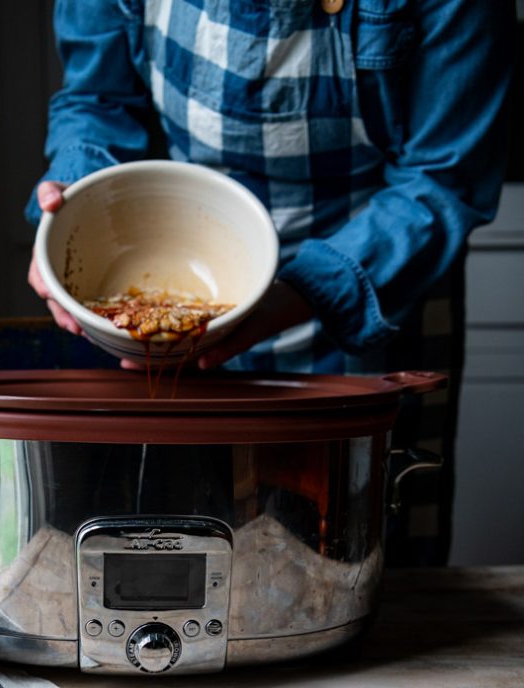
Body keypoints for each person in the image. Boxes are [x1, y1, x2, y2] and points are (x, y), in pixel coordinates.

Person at [25, 0, 515, 565]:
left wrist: (298, 291)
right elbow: (99, 99)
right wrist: (71, 202)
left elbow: (442, 177)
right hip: (194, 291)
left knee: (367, 560)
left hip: (382, 282)